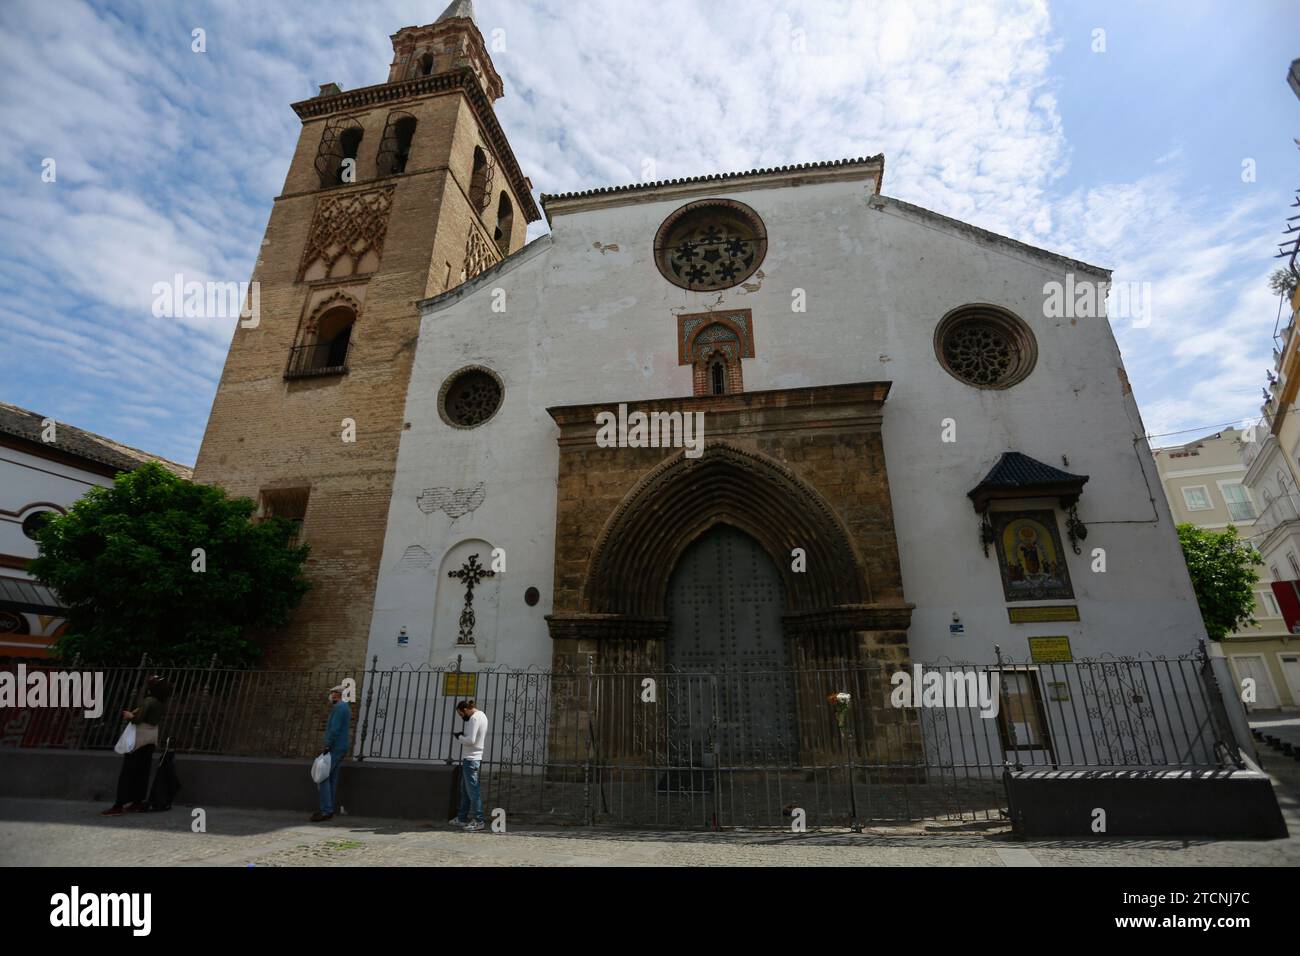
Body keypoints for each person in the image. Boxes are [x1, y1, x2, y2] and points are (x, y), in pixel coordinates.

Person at [102, 675, 170, 816]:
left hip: (138, 739)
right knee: (143, 771)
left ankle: (119, 805)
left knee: (128, 771)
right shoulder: (162, 703)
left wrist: (129, 715)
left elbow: (137, 720)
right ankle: (137, 802)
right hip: (151, 739)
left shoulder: (149, 701)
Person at [311, 684, 351, 822]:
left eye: (333, 693)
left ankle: (326, 810)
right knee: (332, 778)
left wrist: (328, 744)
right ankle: (328, 809)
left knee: (323, 777)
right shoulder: (345, 707)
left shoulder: (339, 708)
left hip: (335, 747)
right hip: (341, 746)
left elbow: (334, 728)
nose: (331, 695)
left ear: (338, 695)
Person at [448, 699, 488, 831]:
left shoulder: (474, 719)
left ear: (465, 710)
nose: (462, 717)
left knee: (472, 791)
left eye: (461, 714)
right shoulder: (482, 715)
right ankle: (461, 818)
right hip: (472, 758)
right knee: (464, 791)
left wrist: (459, 737)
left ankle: (479, 820)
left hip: (471, 759)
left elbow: (470, 740)